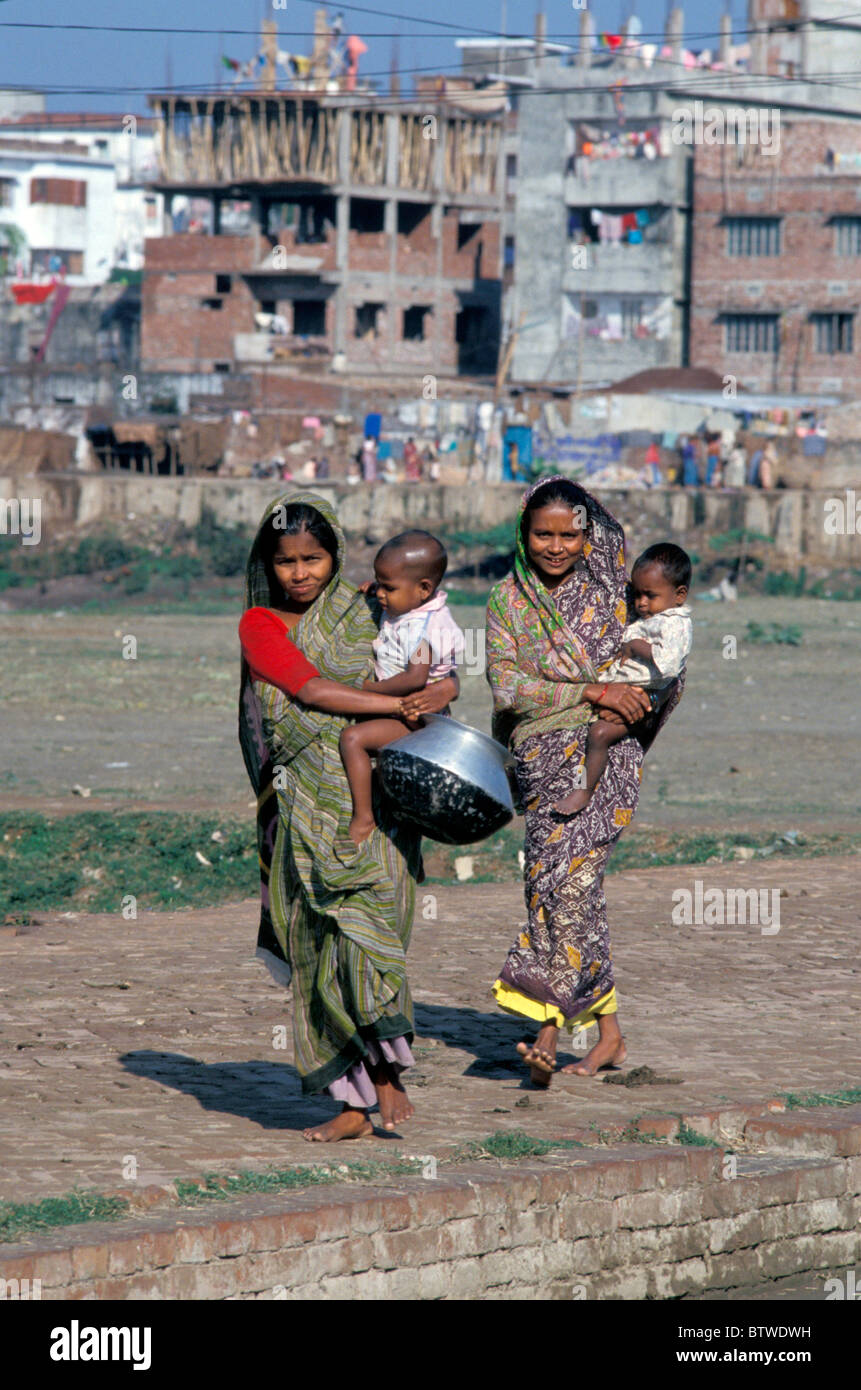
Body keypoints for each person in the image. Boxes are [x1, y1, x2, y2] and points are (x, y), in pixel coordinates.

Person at [238, 493, 459, 1142]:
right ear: (268, 564)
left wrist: (433, 695)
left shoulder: (372, 605)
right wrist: (385, 704)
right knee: (317, 954)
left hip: (380, 810)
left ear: (335, 555)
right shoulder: (260, 624)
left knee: (372, 941)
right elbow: (308, 690)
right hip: (305, 811)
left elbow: (435, 668)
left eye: (313, 558)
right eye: (286, 562)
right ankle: (352, 1104)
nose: (300, 573)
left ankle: (387, 1078)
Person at [485, 476, 685, 1087]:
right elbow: (507, 686)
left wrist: (634, 707)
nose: (556, 545)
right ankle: (610, 1036)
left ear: (587, 535)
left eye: (571, 534)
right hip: (544, 762)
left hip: (608, 759)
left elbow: (663, 669)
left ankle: (546, 1028)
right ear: (523, 534)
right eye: (542, 533)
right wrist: (591, 689)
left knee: (568, 881)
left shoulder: (616, 596)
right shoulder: (505, 602)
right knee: (558, 885)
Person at [339, 531, 465, 846]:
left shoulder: (427, 629)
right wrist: (376, 589)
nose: (381, 594)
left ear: (424, 589)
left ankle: (363, 816)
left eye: (388, 587)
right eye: (378, 583)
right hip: (405, 714)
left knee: (352, 739)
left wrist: (367, 689)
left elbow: (413, 680)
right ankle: (409, 849)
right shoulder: (409, 608)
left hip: (416, 721)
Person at [552, 543, 692, 816]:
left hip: (642, 694)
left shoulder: (675, 623)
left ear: (680, 595)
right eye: (637, 594)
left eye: (650, 595)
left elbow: (670, 664)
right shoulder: (654, 614)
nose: (640, 603)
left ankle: (584, 789)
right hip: (618, 686)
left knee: (600, 734)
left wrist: (635, 647)